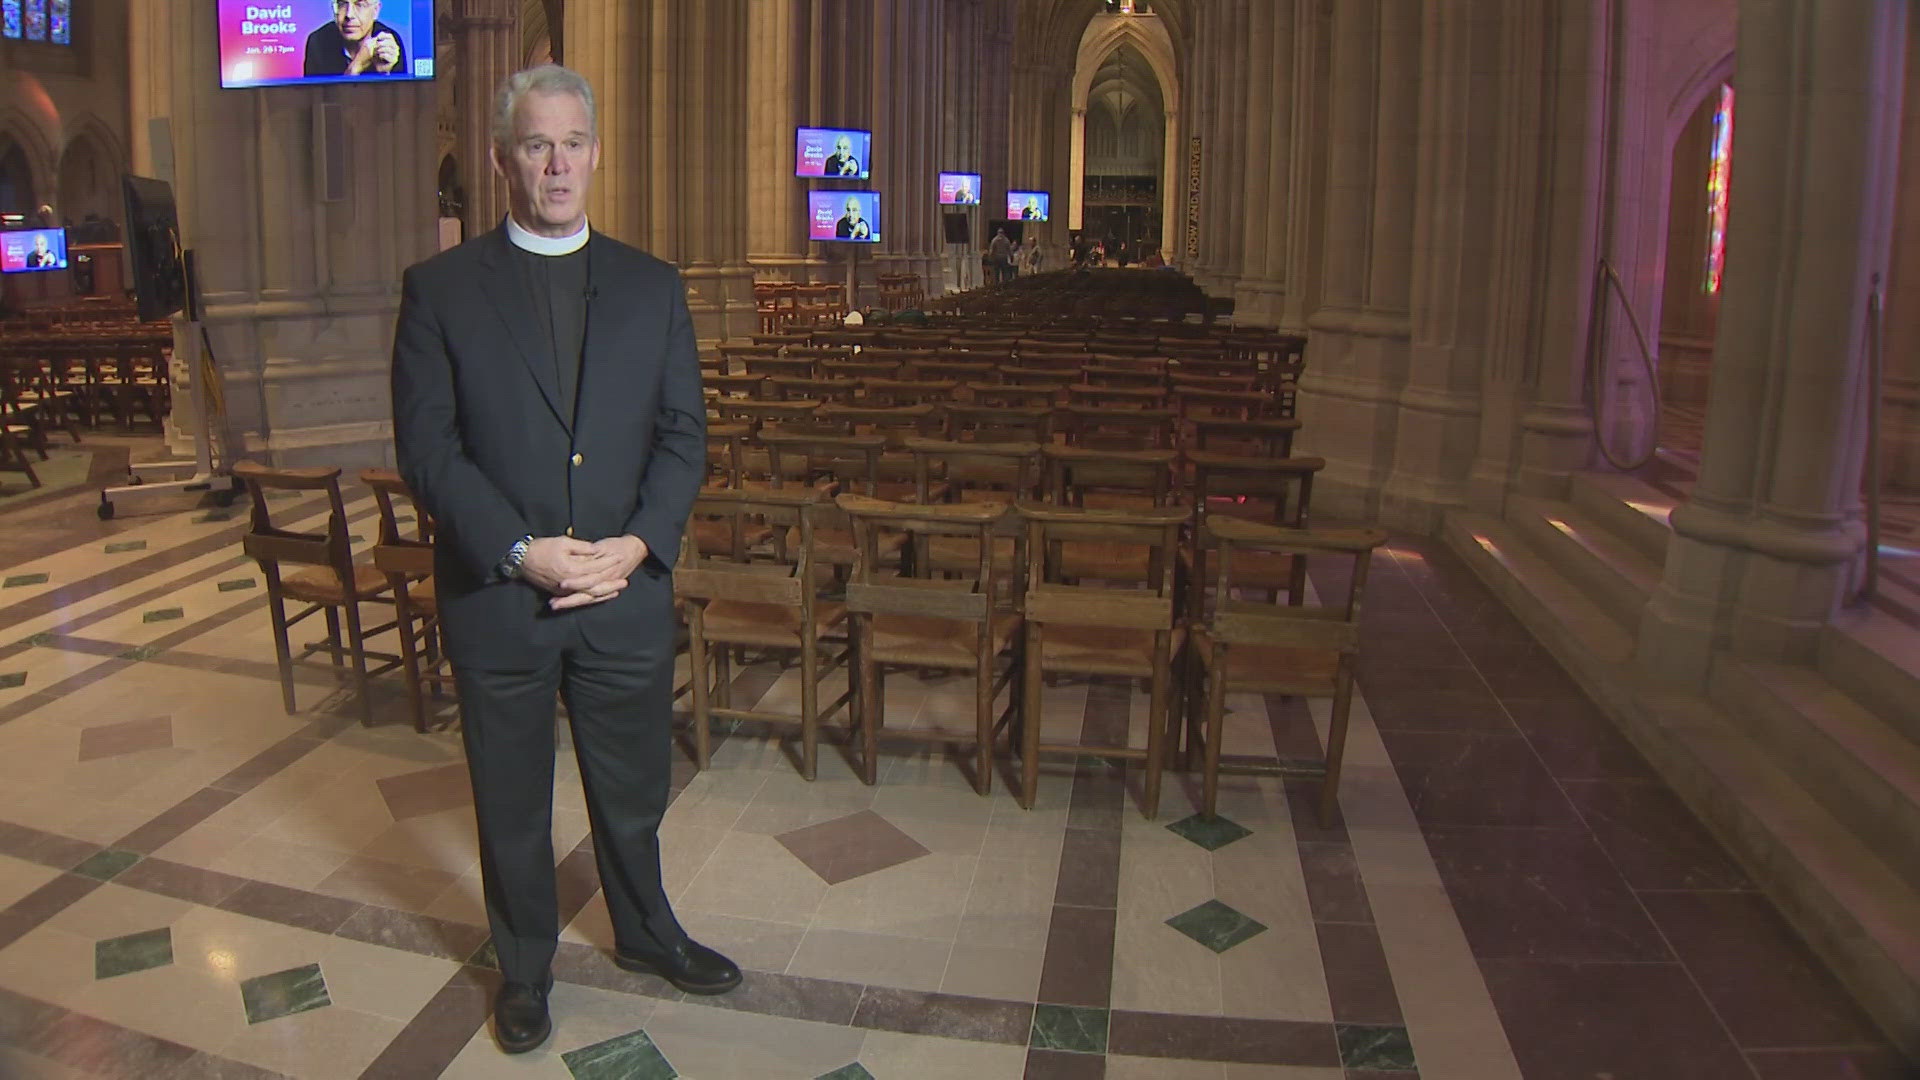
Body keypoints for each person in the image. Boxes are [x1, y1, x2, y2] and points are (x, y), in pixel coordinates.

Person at [390, 64, 737, 1057]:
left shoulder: (652, 285)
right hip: (502, 599)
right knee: (509, 800)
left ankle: (646, 932)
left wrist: (637, 543)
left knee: (631, 788)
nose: (557, 163)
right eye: (536, 144)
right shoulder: (441, 290)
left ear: (595, 153)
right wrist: (517, 549)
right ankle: (527, 969)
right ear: (503, 160)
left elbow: (684, 437)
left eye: (573, 142)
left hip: (623, 591)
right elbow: (429, 450)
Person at [304, 0, 406, 77]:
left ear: (376, 11)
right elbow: (317, 101)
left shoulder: (389, 42)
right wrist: (356, 66)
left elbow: (402, 101)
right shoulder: (318, 42)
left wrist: (385, 74)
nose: (349, 14)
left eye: (359, 5)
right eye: (342, 4)